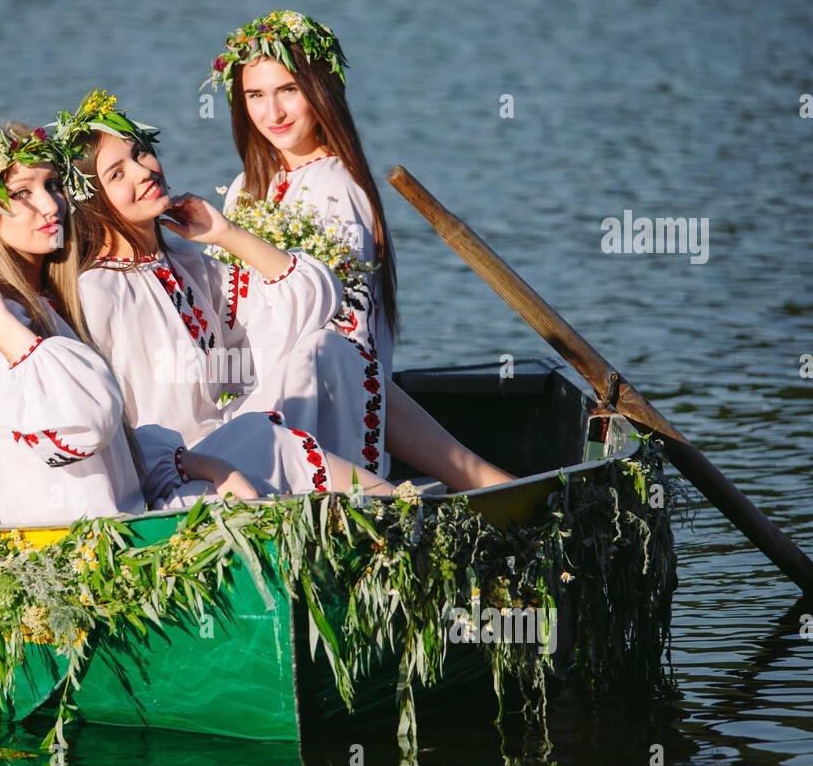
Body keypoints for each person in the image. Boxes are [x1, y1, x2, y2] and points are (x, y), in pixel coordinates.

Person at [0, 124, 388, 527]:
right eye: (22, 192)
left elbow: (310, 304)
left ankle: (409, 511)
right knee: (275, 431)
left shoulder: (57, 302)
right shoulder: (5, 321)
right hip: (97, 548)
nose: (50, 205)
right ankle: (407, 520)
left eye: (52, 185)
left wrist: (226, 234)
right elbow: (89, 423)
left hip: (152, 483)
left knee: (314, 372)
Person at [56, 91, 511, 493]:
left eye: (140, 153)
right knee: (259, 436)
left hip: (229, 436)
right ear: (89, 200)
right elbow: (108, 430)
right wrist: (189, 463)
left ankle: (486, 484)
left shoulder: (184, 263)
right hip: (181, 470)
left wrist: (226, 233)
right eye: (116, 174)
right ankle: (403, 514)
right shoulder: (97, 291)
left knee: (329, 348)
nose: (142, 171)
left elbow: (317, 297)